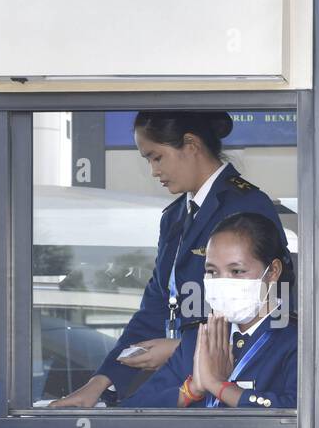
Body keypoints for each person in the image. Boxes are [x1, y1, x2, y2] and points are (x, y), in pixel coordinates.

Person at [52, 111, 289, 408]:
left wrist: (182, 348)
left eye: (157, 157)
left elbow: (276, 307)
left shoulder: (245, 204)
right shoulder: (175, 216)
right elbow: (156, 305)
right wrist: (99, 383)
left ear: (190, 145)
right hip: (180, 379)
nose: (153, 170)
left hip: (235, 380)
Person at [129, 212, 296, 410]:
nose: (223, 282)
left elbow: (302, 415)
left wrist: (218, 386)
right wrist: (191, 390)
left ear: (273, 271)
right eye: (212, 272)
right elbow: (132, 411)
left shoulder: (296, 340)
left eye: (237, 271)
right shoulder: (197, 340)